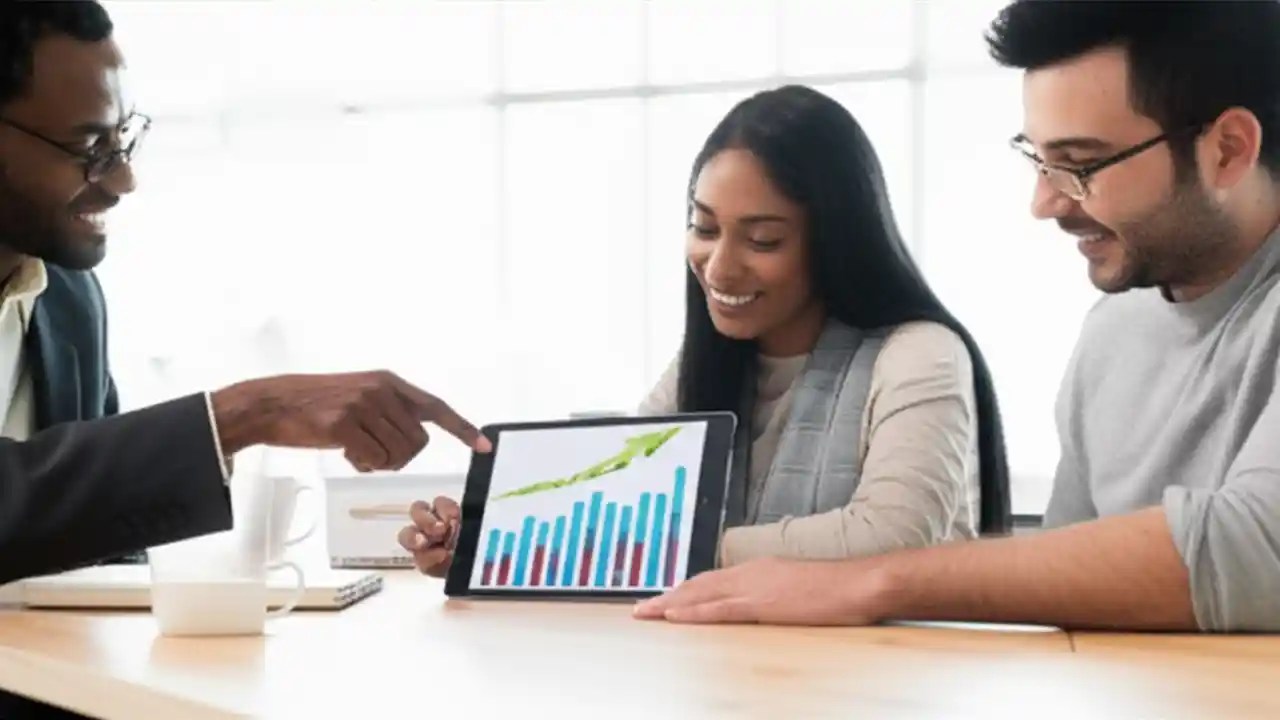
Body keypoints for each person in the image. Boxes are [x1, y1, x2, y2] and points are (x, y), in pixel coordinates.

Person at [634, 0, 1280, 633]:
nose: (1044, 202)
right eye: (1041, 161)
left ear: (1226, 150)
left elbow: (1254, 549)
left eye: (1081, 166)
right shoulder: (1113, 333)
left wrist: (869, 579)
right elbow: (1067, 586)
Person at [399, 85, 1011, 576]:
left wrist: (672, 552)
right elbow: (613, 508)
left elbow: (893, 539)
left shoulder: (920, 355)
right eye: (705, 227)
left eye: (763, 240)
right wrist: (485, 545)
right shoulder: (705, 360)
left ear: (836, 243)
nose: (718, 267)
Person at [0, 2, 489, 587]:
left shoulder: (68, 298)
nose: (123, 180)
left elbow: (90, 530)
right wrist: (250, 412)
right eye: (89, 150)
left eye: (122, 139)